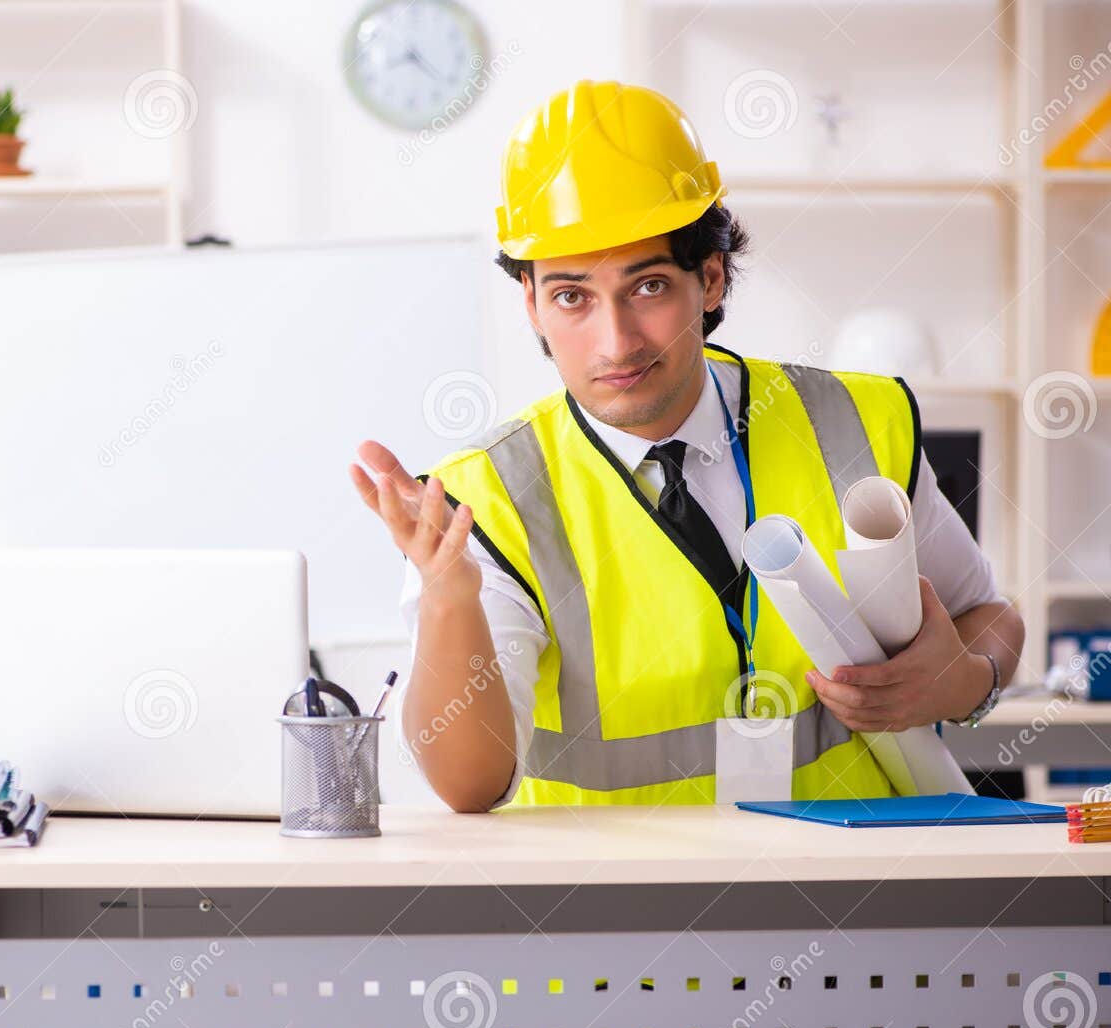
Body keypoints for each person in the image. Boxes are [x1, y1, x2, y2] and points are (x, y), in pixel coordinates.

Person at [348, 80, 1024, 812]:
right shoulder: (484, 504)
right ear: (533, 304)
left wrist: (965, 682)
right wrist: (450, 599)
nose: (616, 342)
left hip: (853, 891)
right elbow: (468, 785)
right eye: (572, 296)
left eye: (647, 288)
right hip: (615, 912)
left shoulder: (850, 422)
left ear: (709, 278)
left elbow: (988, 616)